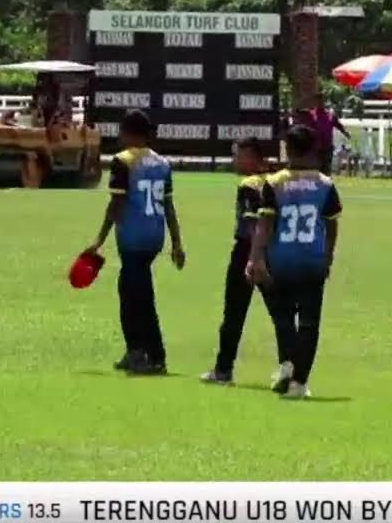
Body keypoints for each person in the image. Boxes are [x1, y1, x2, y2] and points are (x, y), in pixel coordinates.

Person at [84, 109, 185, 375]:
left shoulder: (123, 161)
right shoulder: (162, 163)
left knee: (138, 297)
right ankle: (135, 350)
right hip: (154, 236)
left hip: (133, 236)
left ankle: (153, 355)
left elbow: (116, 204)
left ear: (128, 133)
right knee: (130, 290)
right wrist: (176, 243)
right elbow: (169, 205)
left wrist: (99, 239)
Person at [247, 125, 342, 399]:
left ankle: (288, 364)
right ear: (313, 149)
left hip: (282, 259)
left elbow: (265, 224)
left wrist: (256, 258)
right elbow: (332, 224)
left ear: (287, 149)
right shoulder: (325, 184)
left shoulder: (275, 182)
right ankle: (299, 383)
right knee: (310, 322)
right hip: (312, 259)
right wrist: (328, 255)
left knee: (283, 317)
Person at [201, 138, 287, 384]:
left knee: (234, 313)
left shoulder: (249, 184)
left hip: (248, 253)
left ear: (251, 157)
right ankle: (289, 369)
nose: (235, 160)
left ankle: (223, 370)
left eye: (238, 155)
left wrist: (253, 259)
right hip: (276, 251)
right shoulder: (276, 181)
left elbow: (252, 224)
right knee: (280, 314)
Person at [310, 94, 353, 175]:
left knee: (326, 170)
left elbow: (339, 125)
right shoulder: (311, 115)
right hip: (315, 148)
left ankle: (326, 186)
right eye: (318, 101)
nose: (320, 103)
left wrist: (345, 132)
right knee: (316, 170)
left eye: (322, 101)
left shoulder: (330, 116)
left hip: (327, 148)